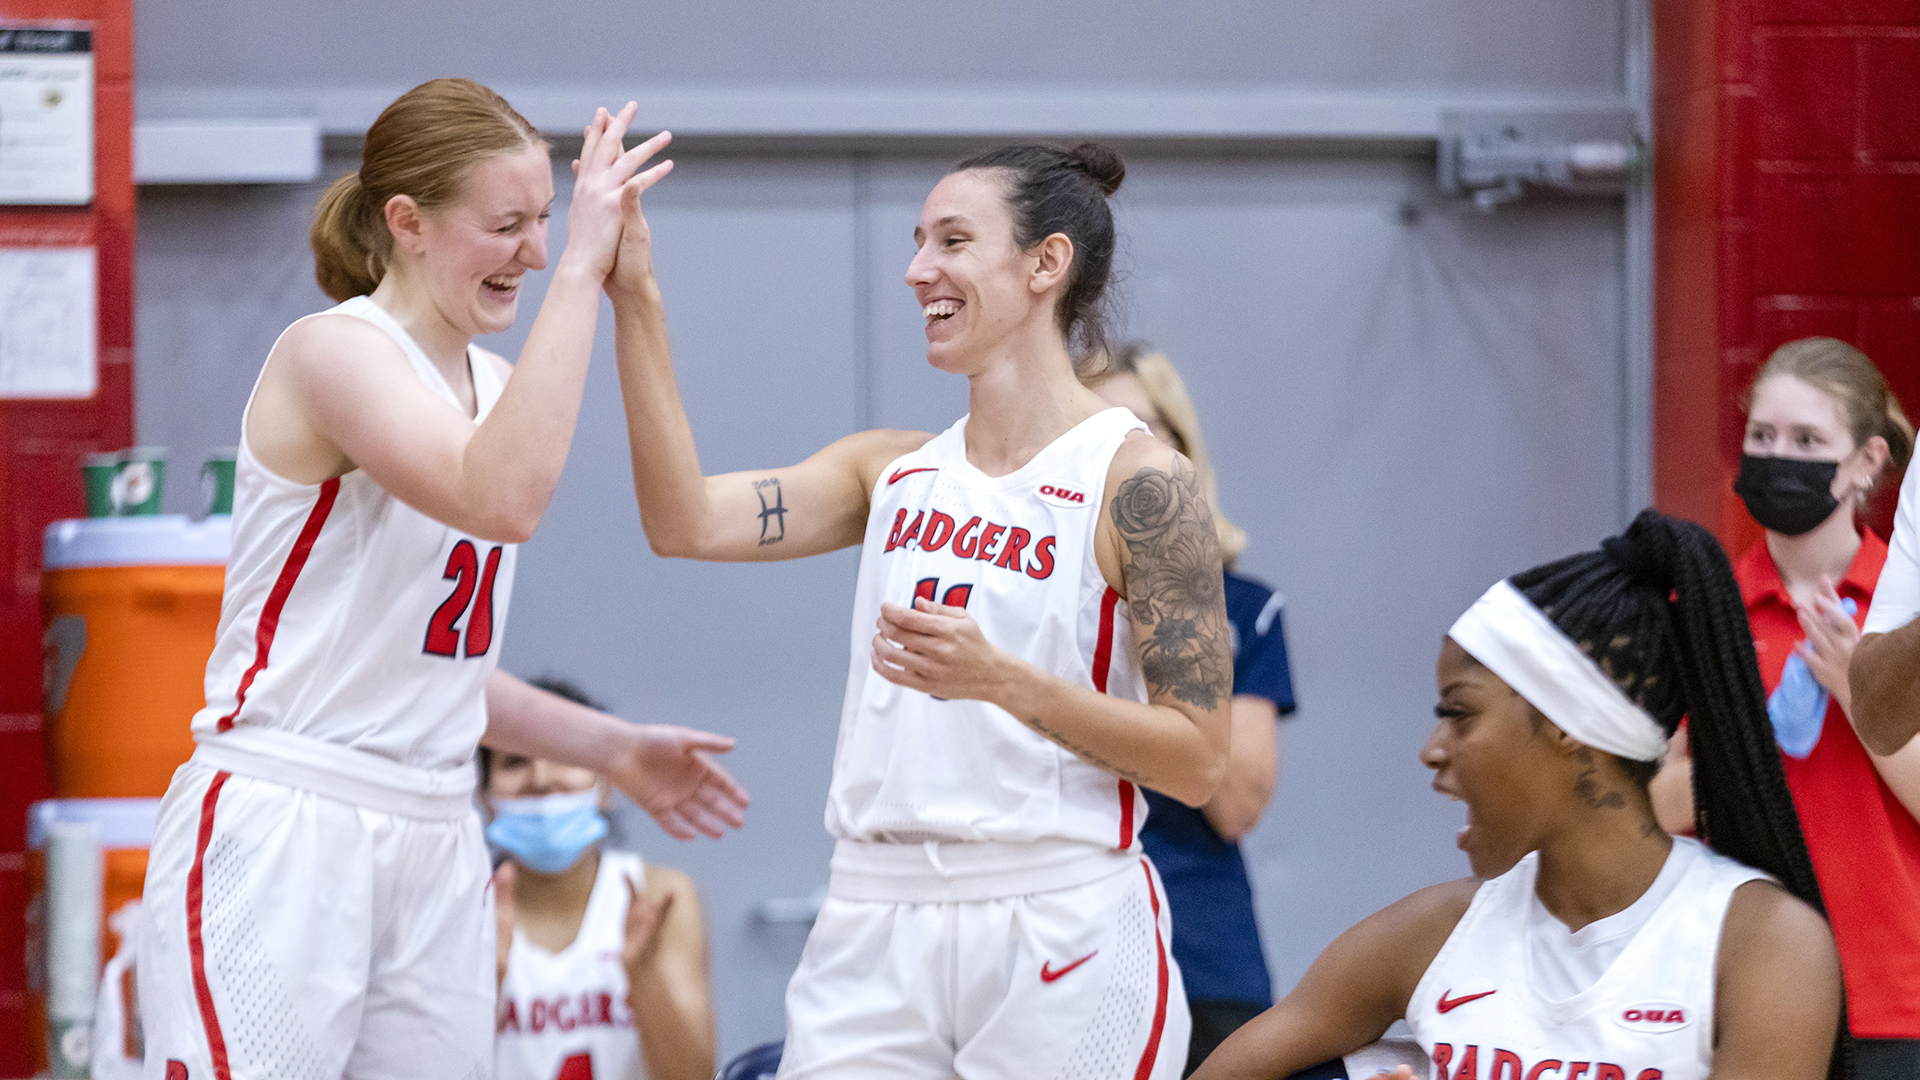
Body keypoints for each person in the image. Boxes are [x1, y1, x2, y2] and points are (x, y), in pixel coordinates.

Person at [136, 79, 747, 1080]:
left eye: (550, 222)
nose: (539, 253)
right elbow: (502, 497)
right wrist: (590, 266)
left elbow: (433, 673)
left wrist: (614, 747)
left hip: (433, 828)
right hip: (290, 817)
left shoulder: (496, 389)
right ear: (408, 224)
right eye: (508, 224)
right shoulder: (332, 354)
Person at [608, 142, 1235, 1078]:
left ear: (1044, 263)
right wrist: (637, 299)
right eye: (916, 242)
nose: (916, 271)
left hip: (1058, 913)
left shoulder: (1143, 484)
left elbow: (1198, 759)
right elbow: (682, 521)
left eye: (951, 240)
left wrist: (1007, 684)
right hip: (873, 912)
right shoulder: (889, 471)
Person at [1191, 510, 1848, 1080]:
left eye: (1461, 713)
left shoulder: (1761, 943)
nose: (1432, 748)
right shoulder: (1429, 934)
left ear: (1566, 728)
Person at [1650, 338, 1920, 1078]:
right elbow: (1648, 806)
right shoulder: (1701, 612)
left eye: (1807, 441)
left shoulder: (1904, 619)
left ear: (1866, 462)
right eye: (1762, 438)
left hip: (1891, 994)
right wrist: (1740, 733)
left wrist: (1858, 692)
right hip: (1731, 986)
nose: (1778, 457)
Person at [1087, 343, 1297, 1074]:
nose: (1130, 452)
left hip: (1202, 951)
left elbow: (1235, 802)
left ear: (1181, 447)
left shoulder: (1245, 608)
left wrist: (1168, 643)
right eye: (1105, 431)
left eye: (1146, 429)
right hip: (1070, 944)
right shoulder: (1043, 599)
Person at [489, 678, 715, 1080]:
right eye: (514, 761)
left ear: (607, 785)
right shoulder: (461, 908)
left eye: (563, 756)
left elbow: (694, 1075)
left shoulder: (659, 896)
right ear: (484, 797)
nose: (541, 778)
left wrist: (642, 975)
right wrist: (488, 978)